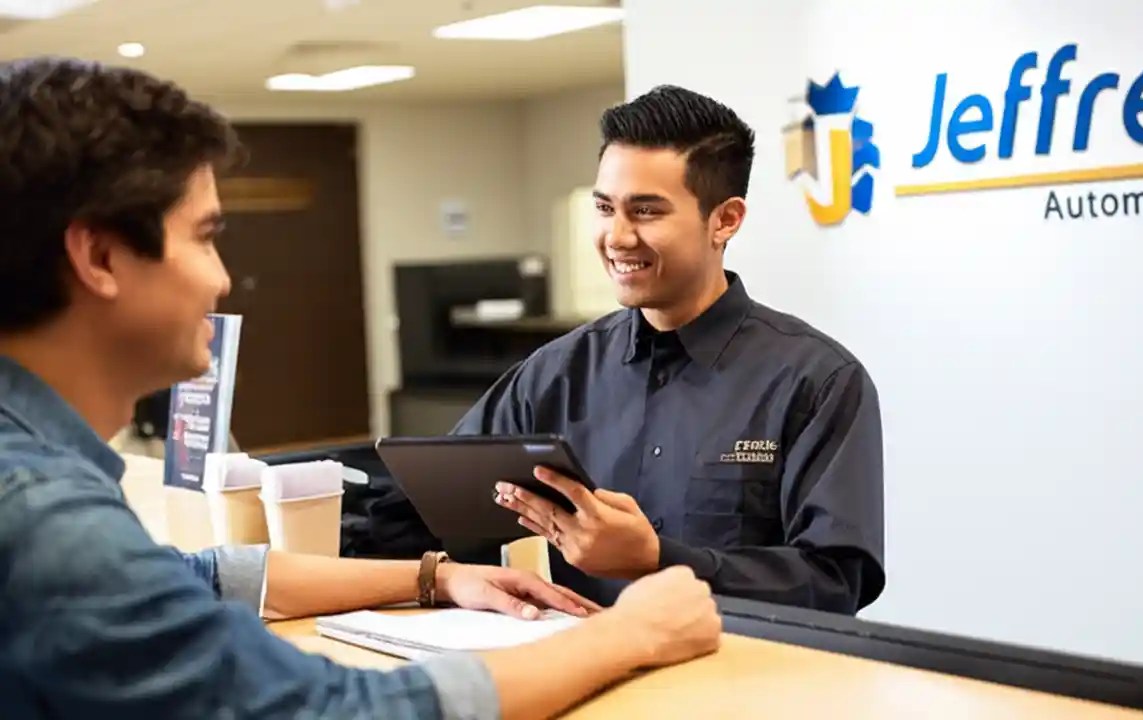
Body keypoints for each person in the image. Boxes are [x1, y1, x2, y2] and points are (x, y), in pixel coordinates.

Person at [0, 57, 721, 719]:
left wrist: (434, 578)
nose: (221, 278)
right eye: (204, 236)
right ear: (99, 256)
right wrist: (629, 634)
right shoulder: (46, 523)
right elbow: (345, 712)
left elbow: (199, 575)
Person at [375, 85, 886, 615]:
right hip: (587, 677)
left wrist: (658, 558)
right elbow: (418, 514)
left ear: (726, 220)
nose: (616, 237)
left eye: (645, 211)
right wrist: (444, 576)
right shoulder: (555, 375)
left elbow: (834, 583)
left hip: (748, 684)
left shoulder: (816, 381)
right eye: (604, 207)